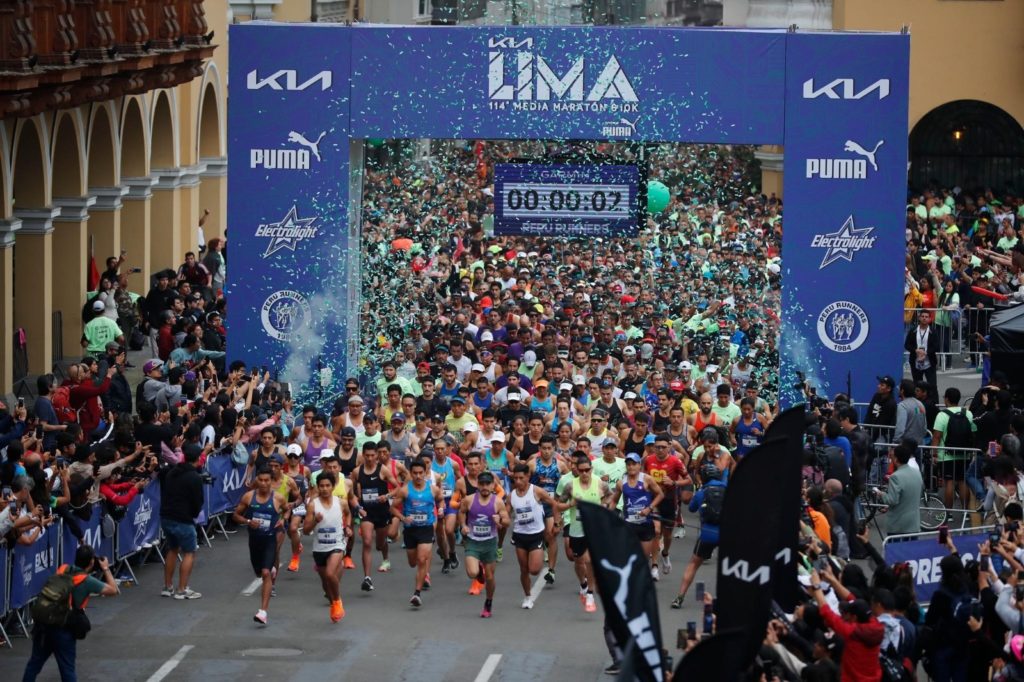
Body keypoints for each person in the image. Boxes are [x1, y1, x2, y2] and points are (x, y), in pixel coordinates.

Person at [22, 544, 119, 682]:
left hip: (44, 623)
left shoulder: (62, 569)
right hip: (64, 628)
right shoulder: (87, 581)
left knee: (34, 664)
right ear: (91, 562)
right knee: (67, 670)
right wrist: (105, 568)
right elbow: (113, 590)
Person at [558, 452, 612, 614]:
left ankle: (590, 594)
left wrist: (603, 505)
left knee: (590, 561)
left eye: (587, 470)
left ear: (591, 469)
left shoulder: (600, 484)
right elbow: (558, 505)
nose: (584, 473)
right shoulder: (570, 486)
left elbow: (610, 496)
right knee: (578, 560)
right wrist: (570, 505)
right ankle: (583, 584)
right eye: (581, 470)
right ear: (576, 470)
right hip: (576, 529)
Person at [232, 466, 287, 625]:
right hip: (254, 540)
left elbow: (287, 510)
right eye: (261, 480)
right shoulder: (249, 497)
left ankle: (263, 612)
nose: (263, 483)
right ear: (257, 480)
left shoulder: (278, 498)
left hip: (270, 539)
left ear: (271, 481)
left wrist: (283, 519)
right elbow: (236, 515)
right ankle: (272, 570)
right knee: (259, 573)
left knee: (265, 573)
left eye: (267, 480)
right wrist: (248, 521)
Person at [671, 463, 726, 609]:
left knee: (693, 565)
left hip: (708, 534)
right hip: (727, 533)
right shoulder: (729, 489)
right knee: (730, 567)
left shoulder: (702, 492)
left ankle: (679, 598)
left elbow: (691, 508)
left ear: (703, 477)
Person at [508, 463, 563, 608]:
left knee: (534, 570)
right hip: (519, 535)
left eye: (521, 478)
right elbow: (505, 514)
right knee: (524, 569)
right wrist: (500, 520)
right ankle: (527, 597)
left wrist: (557, 523)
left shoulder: (537, 491)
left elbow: (554, 504)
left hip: (536, 535)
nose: (518, 481)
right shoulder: (511, 496)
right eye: (515, 478)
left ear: (528, 477)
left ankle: (544, 548)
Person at [390, 457, 444, 608]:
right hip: (410, 530)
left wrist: (440, 508)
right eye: (415, 473)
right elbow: (393, 508)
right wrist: (402, 518)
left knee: (421, 560)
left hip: (426, 528)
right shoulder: (405, 490)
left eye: (421, 473)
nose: (418, 476)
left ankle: (417, 593)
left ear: (425, 472)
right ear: (411, 474)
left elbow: (441, 499)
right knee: (412, 562)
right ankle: (419, 582)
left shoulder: (432, 489)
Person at [457, 470, 510, 618]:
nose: (485, 486)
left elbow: (507, 521)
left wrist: (500, 521)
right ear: (477, 485)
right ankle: (479, 571)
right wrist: (463, 525)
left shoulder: (498, 502)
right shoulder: (469, 500)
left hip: (490, 543)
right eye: (482, 484)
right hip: (473, 542)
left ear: (493, 486)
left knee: (490, 578)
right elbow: (461, 512)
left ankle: (488, 602)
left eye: (488, 483)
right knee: (472, 573)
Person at [303, 470, 352, 623]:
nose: (324, 489)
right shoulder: (313, 505)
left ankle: (337, 601)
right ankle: (333, 602)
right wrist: (315, 521)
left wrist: (348, 527)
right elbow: (305, 531)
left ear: (333, 486)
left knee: (331, 574)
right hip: (319, 548)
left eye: (327, 485)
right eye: (321, 486)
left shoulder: (341, 502)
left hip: (337, 544)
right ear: (317, 487)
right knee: (326, 584)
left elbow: (348, 514)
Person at [159, 443, 204, 600]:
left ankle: (167, 586)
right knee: (189, 552)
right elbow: (198, 502)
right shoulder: (194, 478)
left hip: (166, 517)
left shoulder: (172, 472)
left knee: (172, 549)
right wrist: (193, 515)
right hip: (183, 519)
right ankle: (182, 589)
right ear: (198, 459)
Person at [611, 452, 665, 582]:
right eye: (628, 464)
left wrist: (649, 508)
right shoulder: (621, 483)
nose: (631, 467)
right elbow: (614, 501)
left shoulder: (647, 479)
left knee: (643, 556)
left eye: (634, 464)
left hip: (645, 523)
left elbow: (660, 494)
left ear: (639, 465)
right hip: (629, 523)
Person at [353, 443, 399, 588]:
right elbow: (351, 494)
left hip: (382, 511)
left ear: (376, 456)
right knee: (367, 542)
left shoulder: (383, 470)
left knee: (380, 544)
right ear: (363, 455)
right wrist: (358, 507)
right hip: (366, 512)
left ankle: (385, 558)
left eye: (373, 455)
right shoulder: (357, 472)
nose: (370, 458)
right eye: (367, 455)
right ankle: (367, 577)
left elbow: (397, 488)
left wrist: (386, 496)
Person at [872, 442, 924, 536]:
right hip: (913, 524)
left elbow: (892, 500)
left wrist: (881, 494)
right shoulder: (917, 473)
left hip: (898, 525)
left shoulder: (896, 476)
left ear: (896, 459)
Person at [905, 309, 939, 390]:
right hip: (916, 362)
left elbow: (936, 346)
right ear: (919, 318)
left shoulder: (933, 331)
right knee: (917, 387)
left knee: (932, 386)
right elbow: (907, 345)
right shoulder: (913, 331)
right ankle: (918, 402)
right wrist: (915, 350)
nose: (924, 318)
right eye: (922, 316)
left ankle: (934, 402)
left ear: (929, 319)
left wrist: (926, 353)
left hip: (929, 362)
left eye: (926, 317)